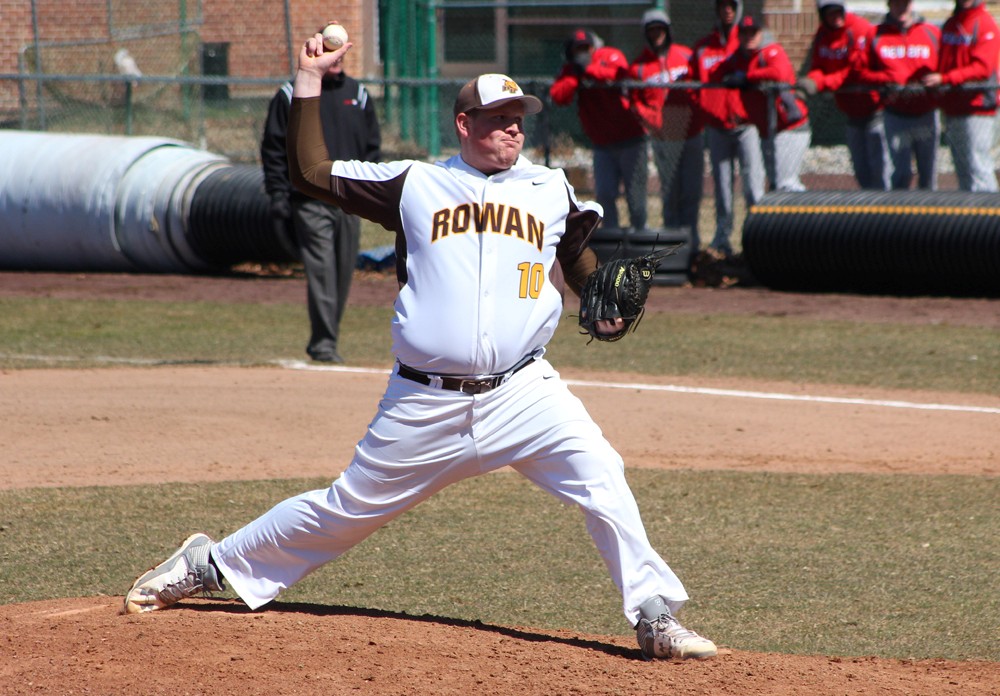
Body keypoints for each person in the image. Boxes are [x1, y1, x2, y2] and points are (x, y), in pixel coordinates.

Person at [124, 32, 718, 663]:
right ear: (464, 124)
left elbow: (577, 262)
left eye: (519, 117)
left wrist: (604, 306)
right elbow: (309, 173)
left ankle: (654, 615)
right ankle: (211, 563)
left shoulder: (551, 189)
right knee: (346, 511)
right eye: (499, 117)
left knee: (601, 474)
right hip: (425, 401)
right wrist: (310, 80)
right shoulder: (415, 183)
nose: (514, 128)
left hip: (524, 394)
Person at [260, 24, 381, 364]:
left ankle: (326, 340)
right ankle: (324, 344)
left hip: (350, 200)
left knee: (343, 273)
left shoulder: (359, 94)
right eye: (329, 49)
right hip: (310, 201)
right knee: (322, 271)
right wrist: (279, 196)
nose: (336, 57)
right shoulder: (291, 93)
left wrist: (369, 192)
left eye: (339, 50)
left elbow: (372, 147)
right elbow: (273, 148)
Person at [550, 28, 649, 232]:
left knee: (636, 196)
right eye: (578, 49)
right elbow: (559, 96)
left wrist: (588, 70)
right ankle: (613, 238)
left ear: (593, 47)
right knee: (604, 193)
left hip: (631, 140)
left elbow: (618, 73)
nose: (583, 53)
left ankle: (640, 236)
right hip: (602, 144)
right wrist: (574, 77)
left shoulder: (609, 55)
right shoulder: (572, 70)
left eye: (586, 48)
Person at [691, 0, 766, 259]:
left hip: (746, 126)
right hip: (717, 127)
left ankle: (758, 238)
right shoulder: (704, 47)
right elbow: (692, 83)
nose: (728, 10)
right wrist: (707, 109)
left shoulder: (746, 40)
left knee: (753, 186)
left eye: (732, 5)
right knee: (722, 188)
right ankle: (723, 238)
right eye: (723, 5)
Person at [630, 9, 705, 250]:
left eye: (660, 29)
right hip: (664, 138)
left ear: (668, 30)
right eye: (652, 30)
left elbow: (699, 87)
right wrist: (655, 123)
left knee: (692, 191)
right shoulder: (639, 67)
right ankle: (673, 245)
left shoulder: (685, 56)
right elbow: (636, 102)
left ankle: (692, 243)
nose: (657, 34)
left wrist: (696, 117)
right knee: (671, 192)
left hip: (691, 133)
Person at [799, 0, 890, 190]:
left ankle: (888, 207)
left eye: (838, 11)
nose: (836, 17)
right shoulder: (823, 33)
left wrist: (821, 82)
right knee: (861, 170)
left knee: (881, 170)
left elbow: (854, 72)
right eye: (830, 12)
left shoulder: (859, 29)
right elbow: (819, 65)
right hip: (850, 112)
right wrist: (812, 79)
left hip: (874, 110)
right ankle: (870, 207)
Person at [719, 16, 811, 193]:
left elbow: (778, 72)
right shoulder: (739, 58)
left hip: (790, 127)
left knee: (787, 184)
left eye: (753, 32)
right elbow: (721, 71)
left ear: (761, 33)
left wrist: (747, 77)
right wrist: (728, 77)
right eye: (744, 33)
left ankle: (809, 211)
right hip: (767, 130)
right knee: (776, 184)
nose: (749, 37)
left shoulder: (771, 50)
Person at [855, 0, 941, 190]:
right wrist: (886, 78)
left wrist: (938, 79)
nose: (901, 8)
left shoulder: (931, 32)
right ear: (889, 5)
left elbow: (945, 67)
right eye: (896, 3)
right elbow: (861, 72)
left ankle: (930, 209)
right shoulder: (876, 34)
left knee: (928, 174)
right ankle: (900, 209)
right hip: (896, 114)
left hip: (926, 113)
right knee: (901, 173)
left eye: (904, 4)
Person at [921, 0, 1000, 192]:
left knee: (978, 166)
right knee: (963, 167)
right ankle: (969, 210)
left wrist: (945, 78)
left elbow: (982, 68)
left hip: (978, 107)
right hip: (953, 106)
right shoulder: (952, 23)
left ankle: (988, 210)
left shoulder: (984, 23)